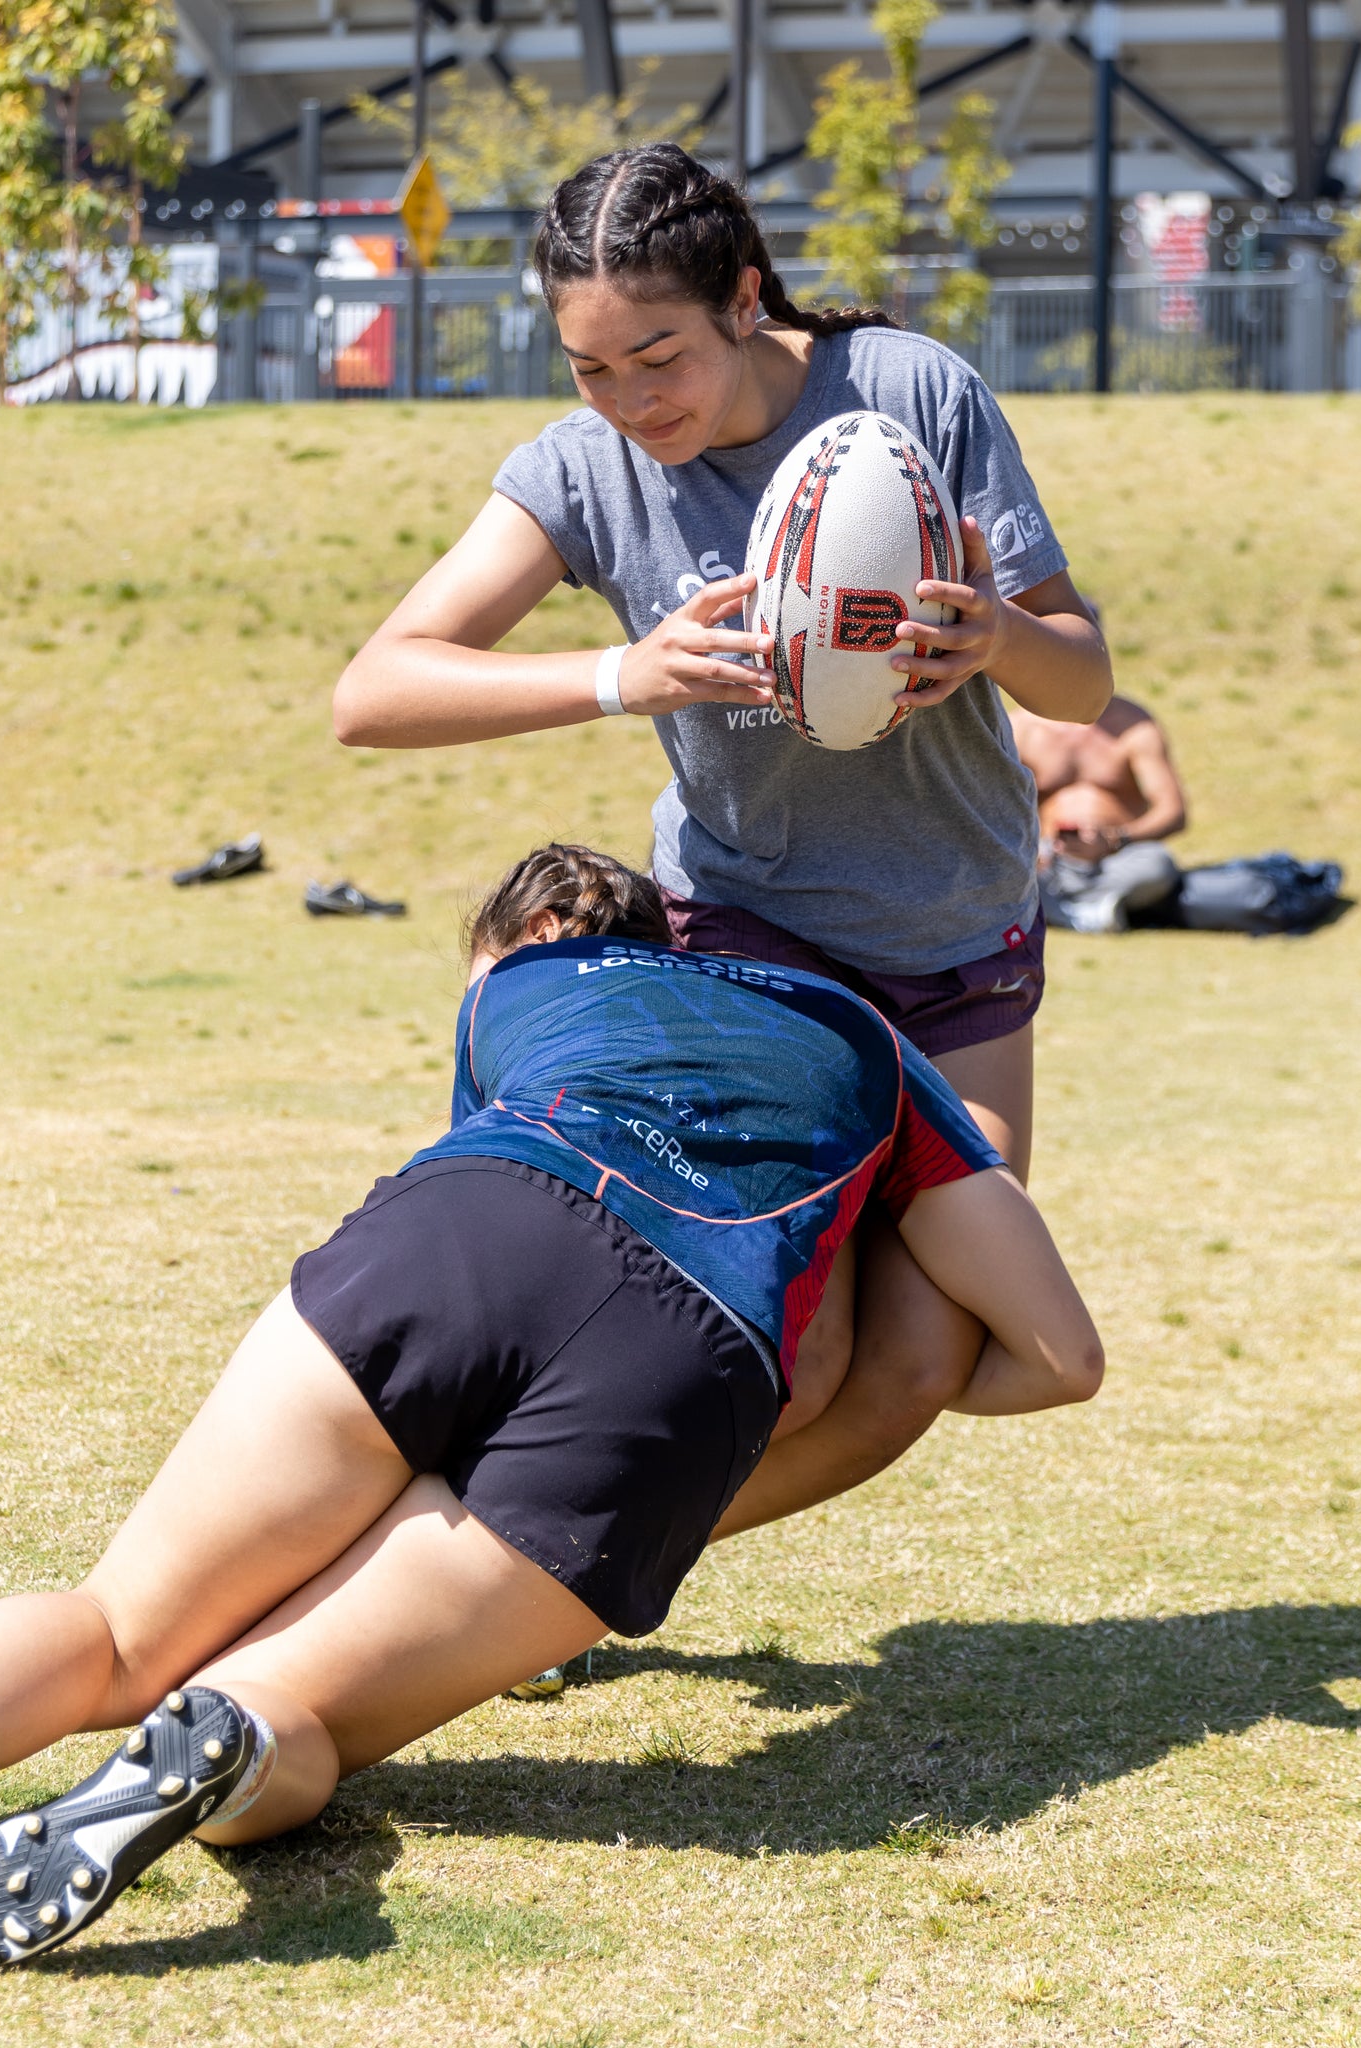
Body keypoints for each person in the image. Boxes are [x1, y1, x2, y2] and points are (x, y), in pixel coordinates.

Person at [0, 844, 1103, 1967]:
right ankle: (225, 1738)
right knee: (287, 1709)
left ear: (541, 927)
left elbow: (507, 1248)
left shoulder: (524, 997)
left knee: (118, 1624)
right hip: (683, 1356)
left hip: (473, 1222)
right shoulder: (858, 1039)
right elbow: (1054, 1360)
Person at [333, 142, 1114, 1535]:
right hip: (751, 942)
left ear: (745, 297)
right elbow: (374, 691)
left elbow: (1085, 678)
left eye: (660, 357)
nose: (633, 403)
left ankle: (548, 1553)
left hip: (960, 948)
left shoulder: (915, 394)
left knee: (919, 1362)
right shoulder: (580, 473)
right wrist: (622, 674)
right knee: (794, 1361)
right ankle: (504, 1565)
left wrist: (994, 639)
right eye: (592, 370)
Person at [1008, 694, 1189, 933]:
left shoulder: (1134, 725)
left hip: (1114, 860)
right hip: (1049, 861)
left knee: (1158, 864)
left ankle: (1062, 910)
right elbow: (990, 806)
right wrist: (1030, 847)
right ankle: (1096, 910)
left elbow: (1172, 812)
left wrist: (1118, 839)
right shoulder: (1021, 727)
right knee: (1001, 868)